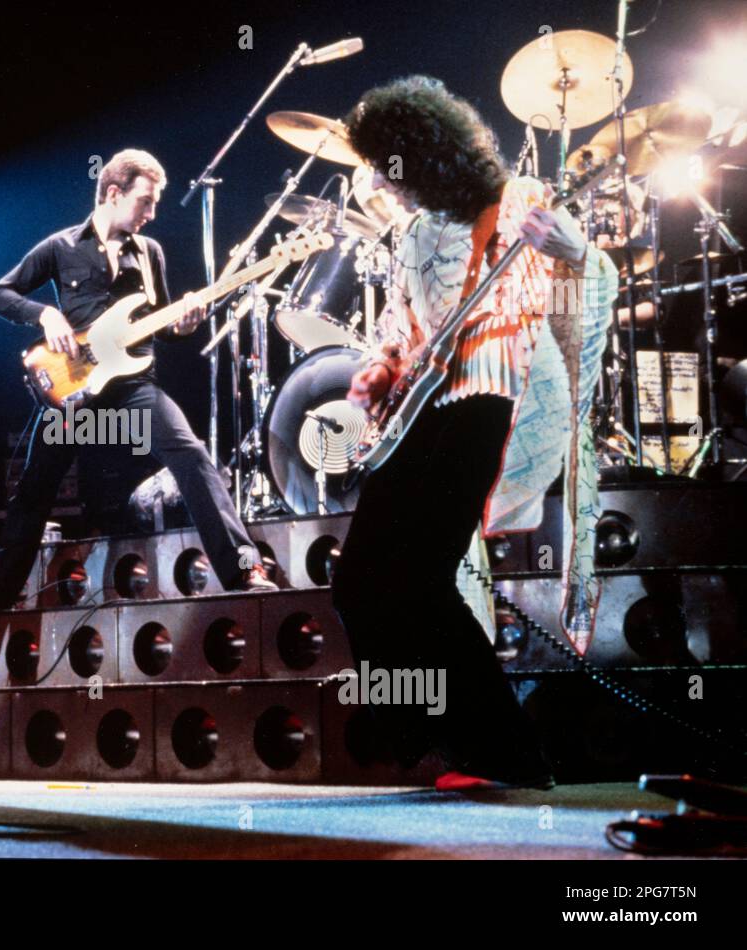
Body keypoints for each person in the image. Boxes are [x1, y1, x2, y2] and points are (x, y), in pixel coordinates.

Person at [333, 77, 619, 790]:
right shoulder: (412, 236)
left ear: (424, 156)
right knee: (357, 579)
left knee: (420, 577)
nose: (379, 183)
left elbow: (586, 286)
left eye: (386, 166)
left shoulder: (519, 201)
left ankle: (504, 754)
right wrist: (376, 370)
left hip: (490, 401)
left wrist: (578, 252)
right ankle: (414, 722)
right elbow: (400, 329)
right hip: (422, 409)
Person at [0, 149, 276, 613]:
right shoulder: (60, 247)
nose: (152, 213)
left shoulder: (149, 253)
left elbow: (162, 325)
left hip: (133, 389)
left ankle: (244, 569)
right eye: (145, 201)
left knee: (191, 454)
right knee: (34, 487)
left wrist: (184, 323)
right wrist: (45, 314)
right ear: (112, 193)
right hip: (77, 393)